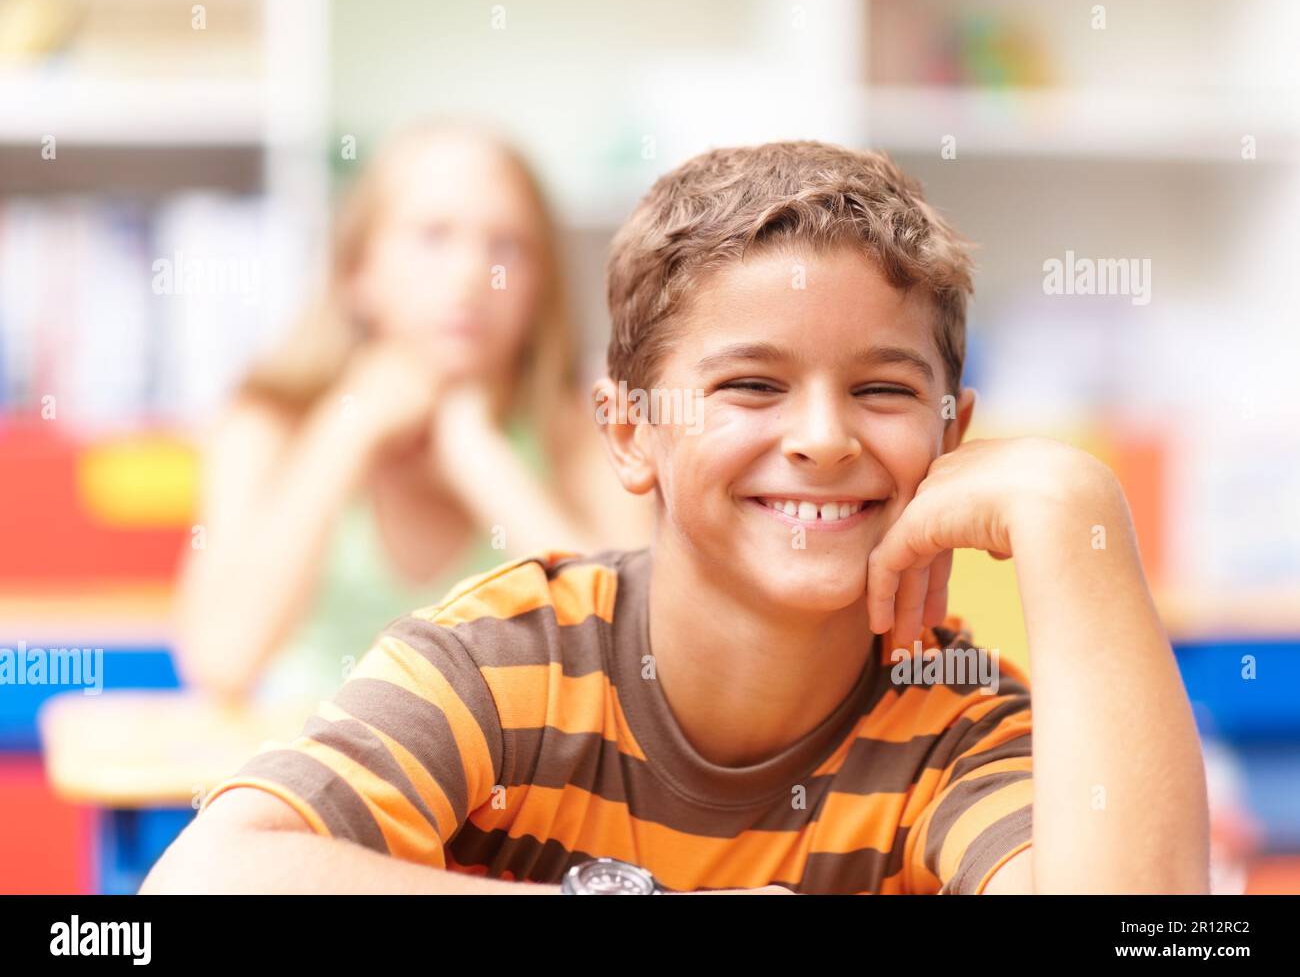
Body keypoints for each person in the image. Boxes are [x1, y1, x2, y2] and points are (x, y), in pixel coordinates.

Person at [145, 141, 1209, 894]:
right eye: (752, 385)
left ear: (950, 430)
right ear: (630, 432)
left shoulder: (951, 721)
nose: (825, 438)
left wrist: (1078, 520)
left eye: (882, 390)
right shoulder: (513, 659)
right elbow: (205, 882)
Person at [171, 120, 653, 707]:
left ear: (540, 287)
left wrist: (480, 457)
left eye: (507, 246)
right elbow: (221, 661)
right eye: (432, 236)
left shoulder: (584, 430)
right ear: (357, 273)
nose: (471, 274)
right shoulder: (270, 423)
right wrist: (347, 431)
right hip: (315, 779)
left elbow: (631, 665)